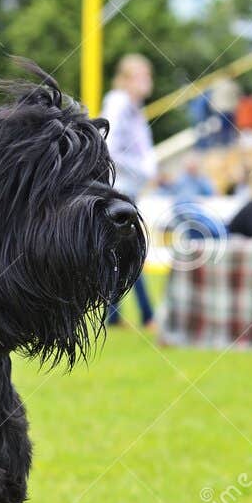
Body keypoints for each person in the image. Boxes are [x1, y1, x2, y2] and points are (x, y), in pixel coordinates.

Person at [100, 54, 157, 327]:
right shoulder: (119, 103)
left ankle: (114, 315)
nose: (148, 81)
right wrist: (142, 170)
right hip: (120, 189)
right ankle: (147, 315)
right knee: (132, 249)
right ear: (127, 78)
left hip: (129, 187)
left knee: (122, 251)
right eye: (142, 75)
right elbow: (110, 146)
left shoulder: (134, 107)